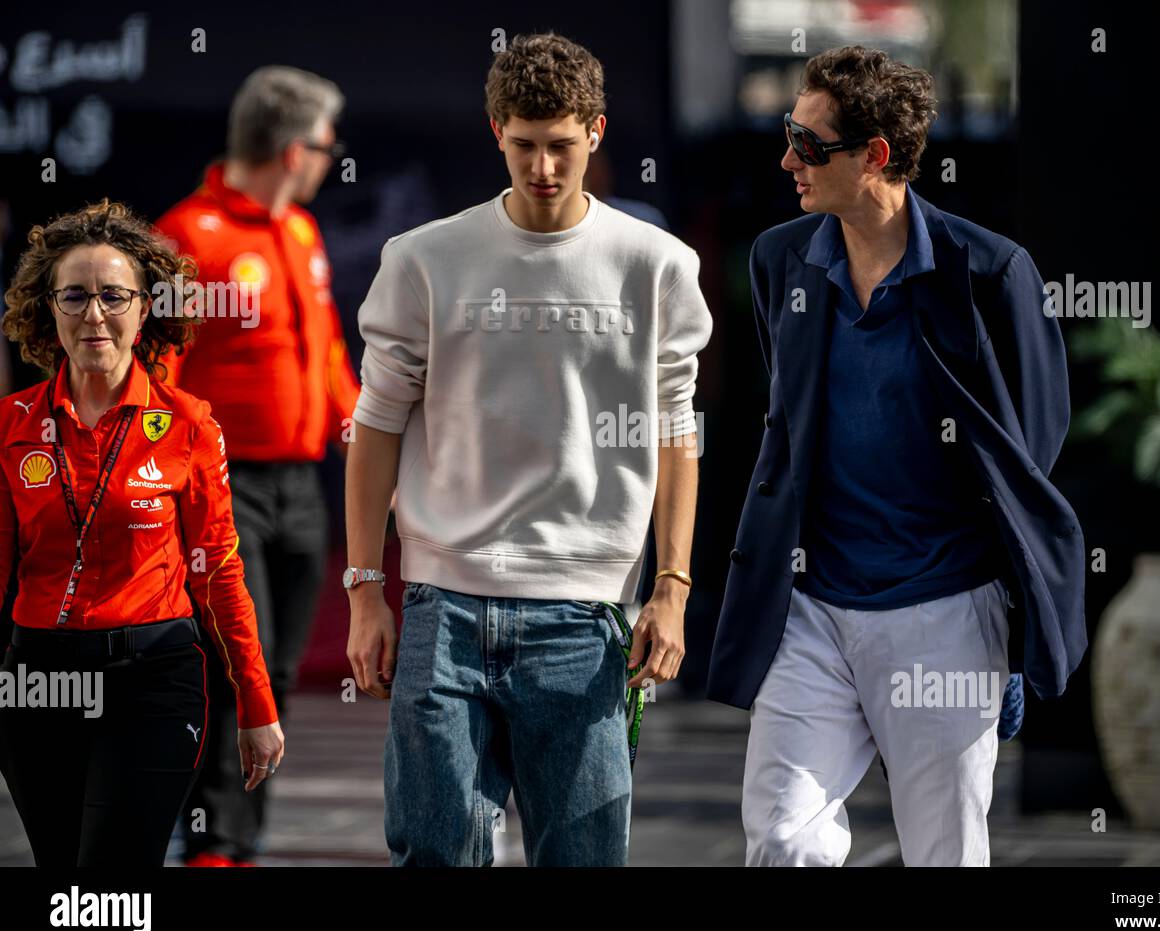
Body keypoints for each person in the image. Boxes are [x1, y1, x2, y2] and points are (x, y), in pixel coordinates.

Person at [708, 47, 1086, 866]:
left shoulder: (988, 272)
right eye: (787, 134)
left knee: (945, 851)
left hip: (945, 610)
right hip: (810, 606)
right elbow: (792, 419)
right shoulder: (781, 261)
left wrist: (1006, 618)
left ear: (875, 156)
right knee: (780, 837)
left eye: (809, 145)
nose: (786, 160)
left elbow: (1033, 441)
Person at [345, 32, 712, 866]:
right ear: (495, 133)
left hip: (587, 616)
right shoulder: (425, 259)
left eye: (560, 145)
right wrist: (366, 589)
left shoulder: (655, 265)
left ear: (597, 132)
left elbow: (677, 431)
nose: (542, 166)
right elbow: (374, 426)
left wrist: (674, 588)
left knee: (582, 859)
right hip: (443, 603)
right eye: (523, 145)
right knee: (436, 856)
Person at [0, 199, 283, 866]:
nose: (94, 315)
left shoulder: (189, 424)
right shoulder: (10, 426)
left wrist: (257, 703)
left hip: (154, 677)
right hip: (39, 676)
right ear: (48, 309)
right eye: (74, 296)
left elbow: (220, 575)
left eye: (113, 296)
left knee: (114, 875)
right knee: (63, 875)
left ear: (146, 306)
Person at [154, 65, 359, 866]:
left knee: (272, 667)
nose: (329, 159)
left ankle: (242, 838)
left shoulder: (300, 233)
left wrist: (359, 430)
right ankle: (214, 841)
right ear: (289, 148)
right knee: (231, 666)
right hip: (220, 489)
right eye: (324, 146)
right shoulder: (187, 237)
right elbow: (158, 373)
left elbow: (328, 352)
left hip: (300, 485)